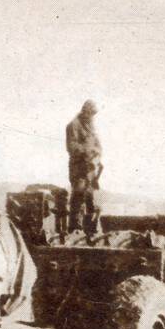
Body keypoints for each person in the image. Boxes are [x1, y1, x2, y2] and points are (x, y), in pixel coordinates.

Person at [65, 99, 102, 235]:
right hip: (79, 168)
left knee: (90, 199)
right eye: (90, 113)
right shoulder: (73, 125)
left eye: (93, 114)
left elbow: (98, 147)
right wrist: (87, 151)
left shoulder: (91, 128)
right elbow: (72, 146)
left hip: (91, 171)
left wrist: (96, 155)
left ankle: (91, 231)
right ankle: (75, 229)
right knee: (78, 197)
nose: (92, 116)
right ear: (85, 111)